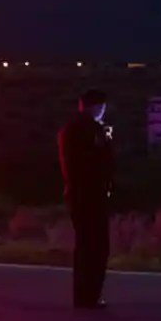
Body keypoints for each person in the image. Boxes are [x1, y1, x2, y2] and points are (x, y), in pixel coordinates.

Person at [57, 89, 114, 309]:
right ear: (97, 106)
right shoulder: (91, 130)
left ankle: (83, 294)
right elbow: (102, 161)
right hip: (92, 195)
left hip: (77, 194)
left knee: (84, 246)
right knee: (96, 247)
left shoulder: (68, 130)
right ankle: (91, 294)